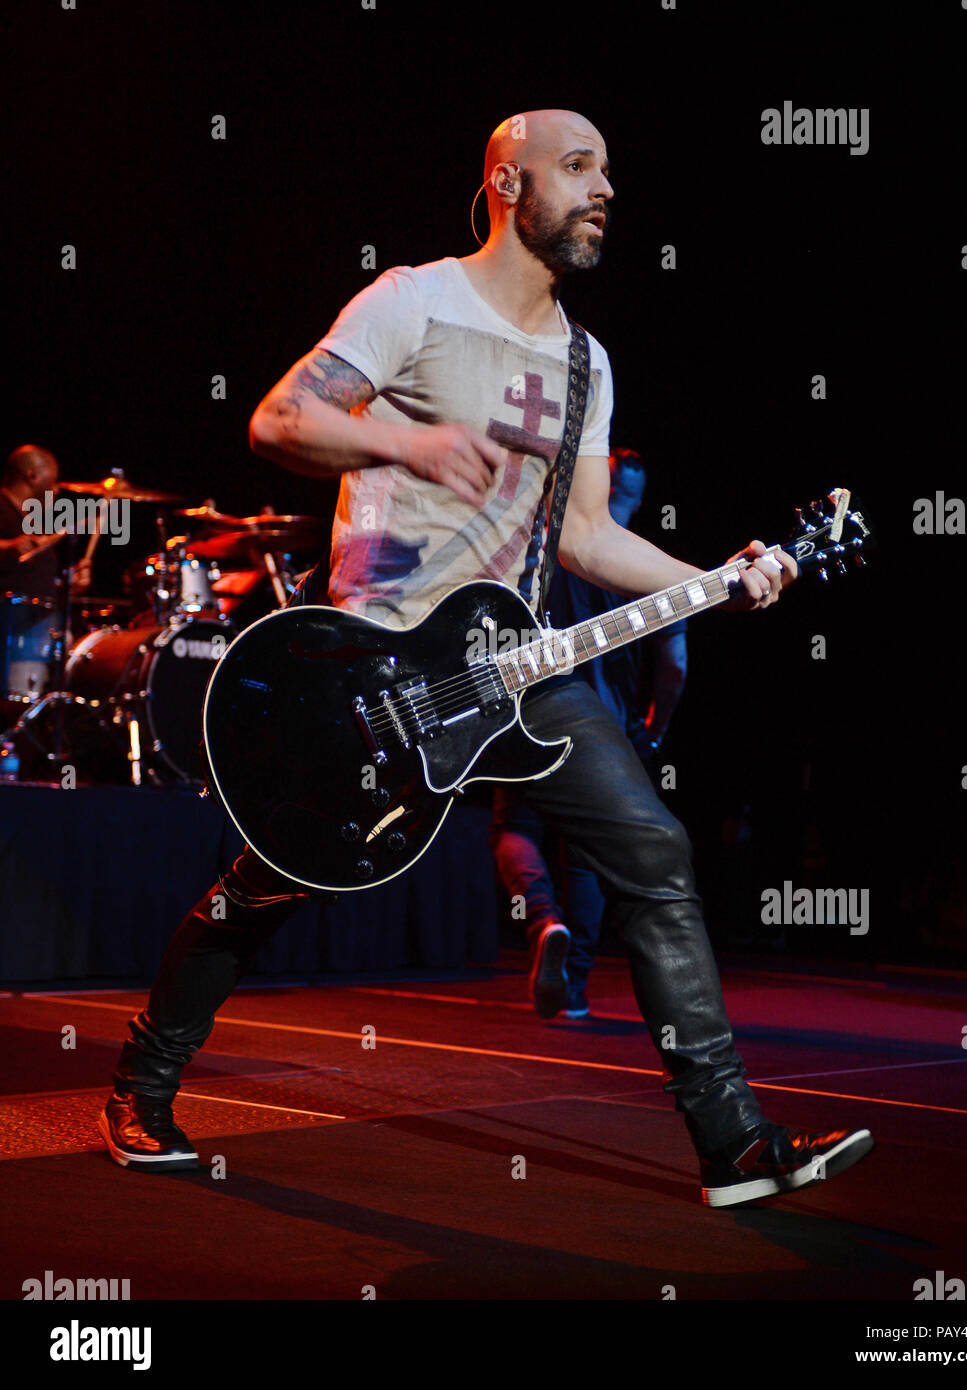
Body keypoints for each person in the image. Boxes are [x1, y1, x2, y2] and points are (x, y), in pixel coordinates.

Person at [99, 109, 873, 1207]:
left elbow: (587, 537)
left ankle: (733, 1146)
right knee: (270, 883)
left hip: (517, 666)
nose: (605, 188)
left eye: (609, 169)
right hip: (373, 667)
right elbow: (279, 421)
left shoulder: (584, 360)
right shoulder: (412, 298)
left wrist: (719, 574)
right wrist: (405, 439)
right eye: (578, 166)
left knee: (651, 852)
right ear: (508, 181)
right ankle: (142, 1080)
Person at [491, 449, 689, 1020]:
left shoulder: (542, 546)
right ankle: (573, 986)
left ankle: (541, 918)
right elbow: (674, 663)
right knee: (586, 857)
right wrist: (654, 728)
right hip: (604, 722)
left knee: (513, 829)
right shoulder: (643, 567)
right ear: (638, 497)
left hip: (524, 709)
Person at [0, 445, 92, 600]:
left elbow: (32, 583)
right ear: (33, 475)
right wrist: (7, 547)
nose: (56, 489)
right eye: (54, 480)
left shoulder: (35, 525)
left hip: (35, 620)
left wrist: (66, 584)